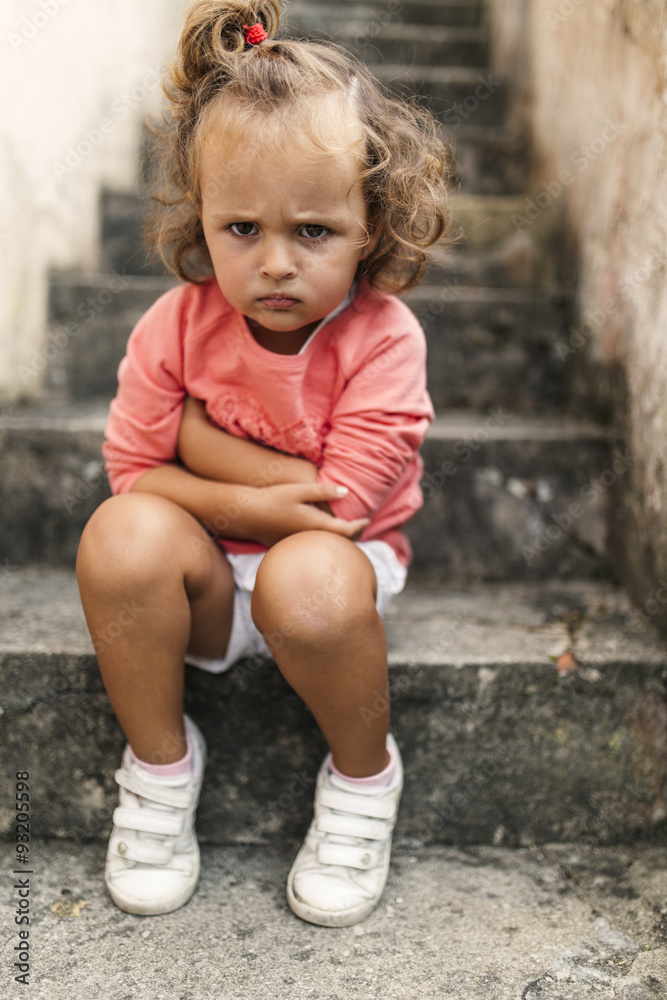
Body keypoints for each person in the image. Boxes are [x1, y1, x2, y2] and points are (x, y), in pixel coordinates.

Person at [76, 0, 449, 928]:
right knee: (119, 538)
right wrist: (235, 484)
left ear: (371, 222)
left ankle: (364, 782)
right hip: (202, 585)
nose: (275, 264)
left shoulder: (381, 338)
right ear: (201, 216)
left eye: (313, 232)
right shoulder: (176, 321)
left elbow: (338, 514)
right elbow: (132, 473)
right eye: (242, 228)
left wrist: (197, 441)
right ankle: (160, 772)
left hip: (328, 583)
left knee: (307, 581)